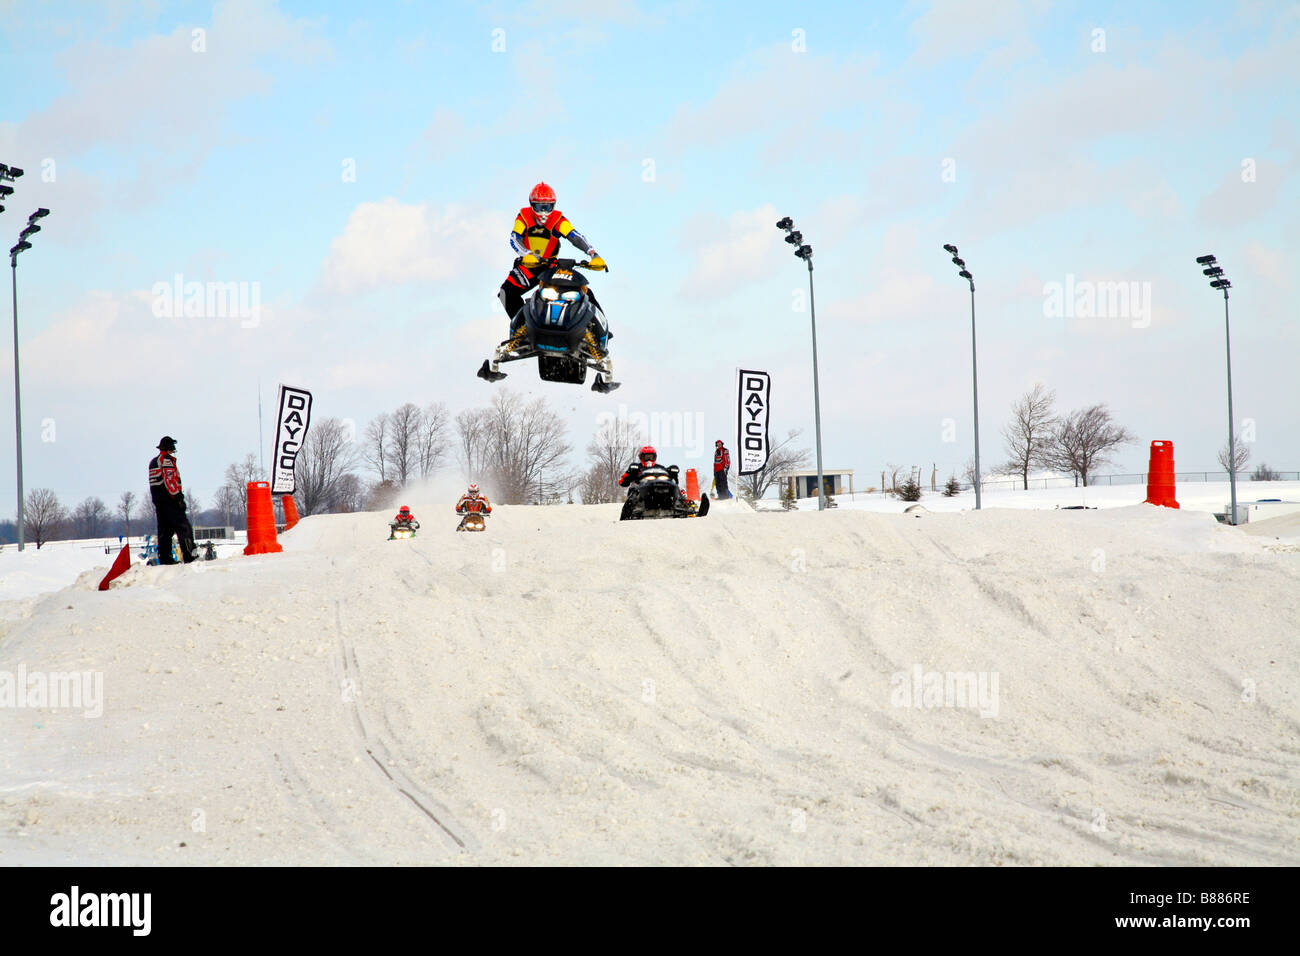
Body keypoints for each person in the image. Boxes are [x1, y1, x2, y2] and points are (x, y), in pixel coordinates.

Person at [497, 182, 610, 349]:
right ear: (531, 204)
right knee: (506, 293)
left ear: (553, 205)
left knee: (584, 291)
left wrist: (593, 253)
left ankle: (600, 333)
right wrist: (526, 254)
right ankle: (524, 331)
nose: (543, 212)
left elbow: (574, 236)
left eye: (548, 207)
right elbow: (515, 238)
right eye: (539, 207)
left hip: (550, 266)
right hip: (528, 265)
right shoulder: (524, 216)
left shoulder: (557, 219)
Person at [148, 436, 197, 564]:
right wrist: (178, 498)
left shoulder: (154, 461)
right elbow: (170, 481)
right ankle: (189, 554)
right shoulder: (166, 461)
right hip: (170, 500)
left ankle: (165, 558)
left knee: (165, 530)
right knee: (183, 527)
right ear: (169, 449)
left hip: (159, 501)